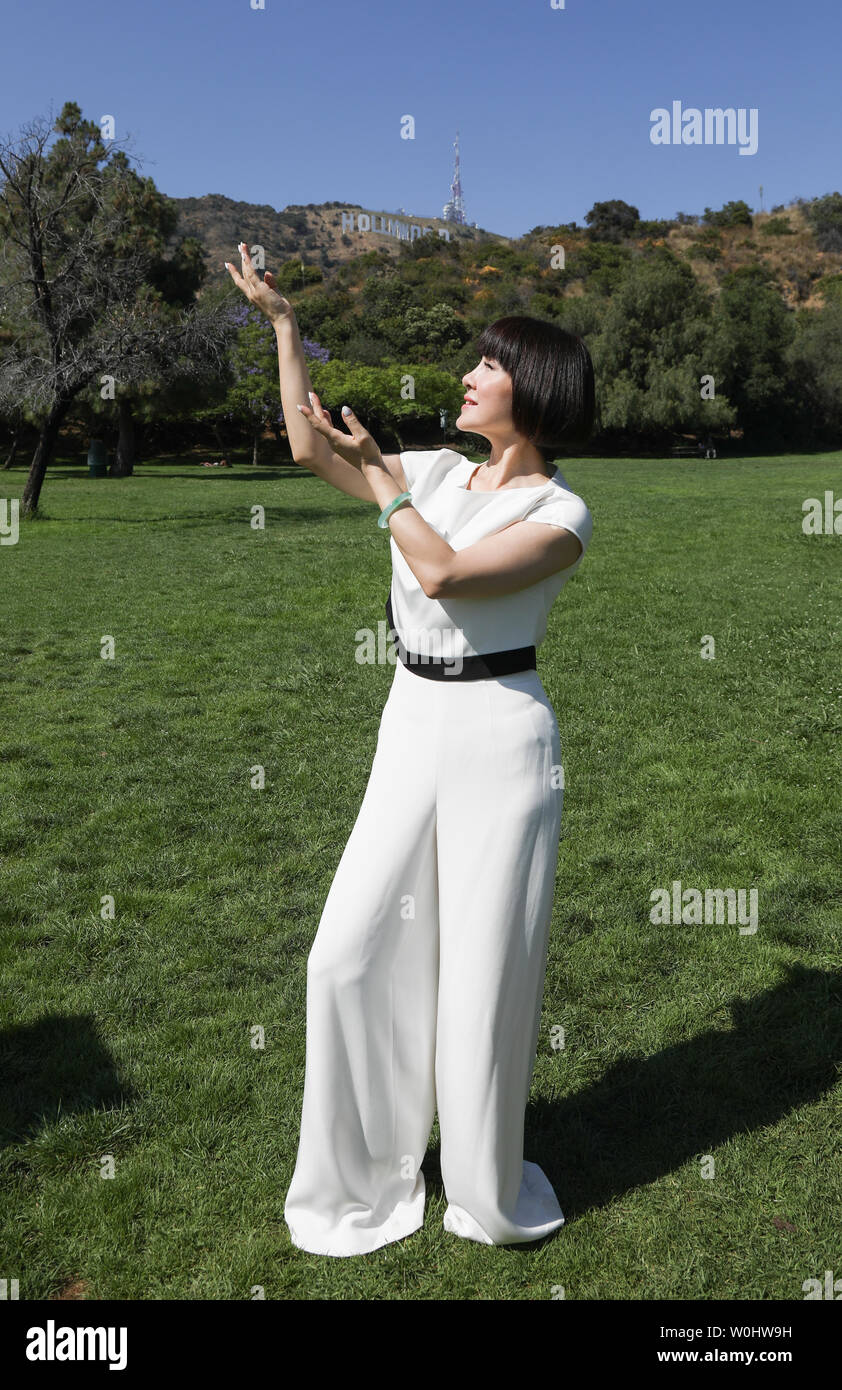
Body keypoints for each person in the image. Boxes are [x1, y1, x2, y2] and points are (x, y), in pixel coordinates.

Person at [225, 243, 596, 1257]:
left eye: (487, 365)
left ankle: (482, 1186)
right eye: (473, 362)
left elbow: (444, 576)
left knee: (479, 978)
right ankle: (365, 1173)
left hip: (500, 741)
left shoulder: (560, 515)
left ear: (534, 390)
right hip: (410, 720)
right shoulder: (433, 469)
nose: (467, 378)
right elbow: (307, 446)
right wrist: (283, 324)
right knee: (343, 954)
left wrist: (393, 493)